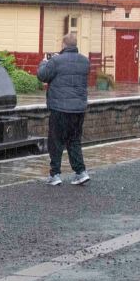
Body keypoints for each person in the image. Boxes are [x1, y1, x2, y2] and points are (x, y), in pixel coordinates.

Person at [36, 32, 91, 186]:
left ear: (64, 45)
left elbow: (42, 75)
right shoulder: (85, 61)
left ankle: (55, 174)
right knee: (74, 140)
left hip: (60, 109)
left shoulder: (56, 61)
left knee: (56, 141)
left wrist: (43, 62)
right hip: (78, 109)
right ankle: (81, 172)